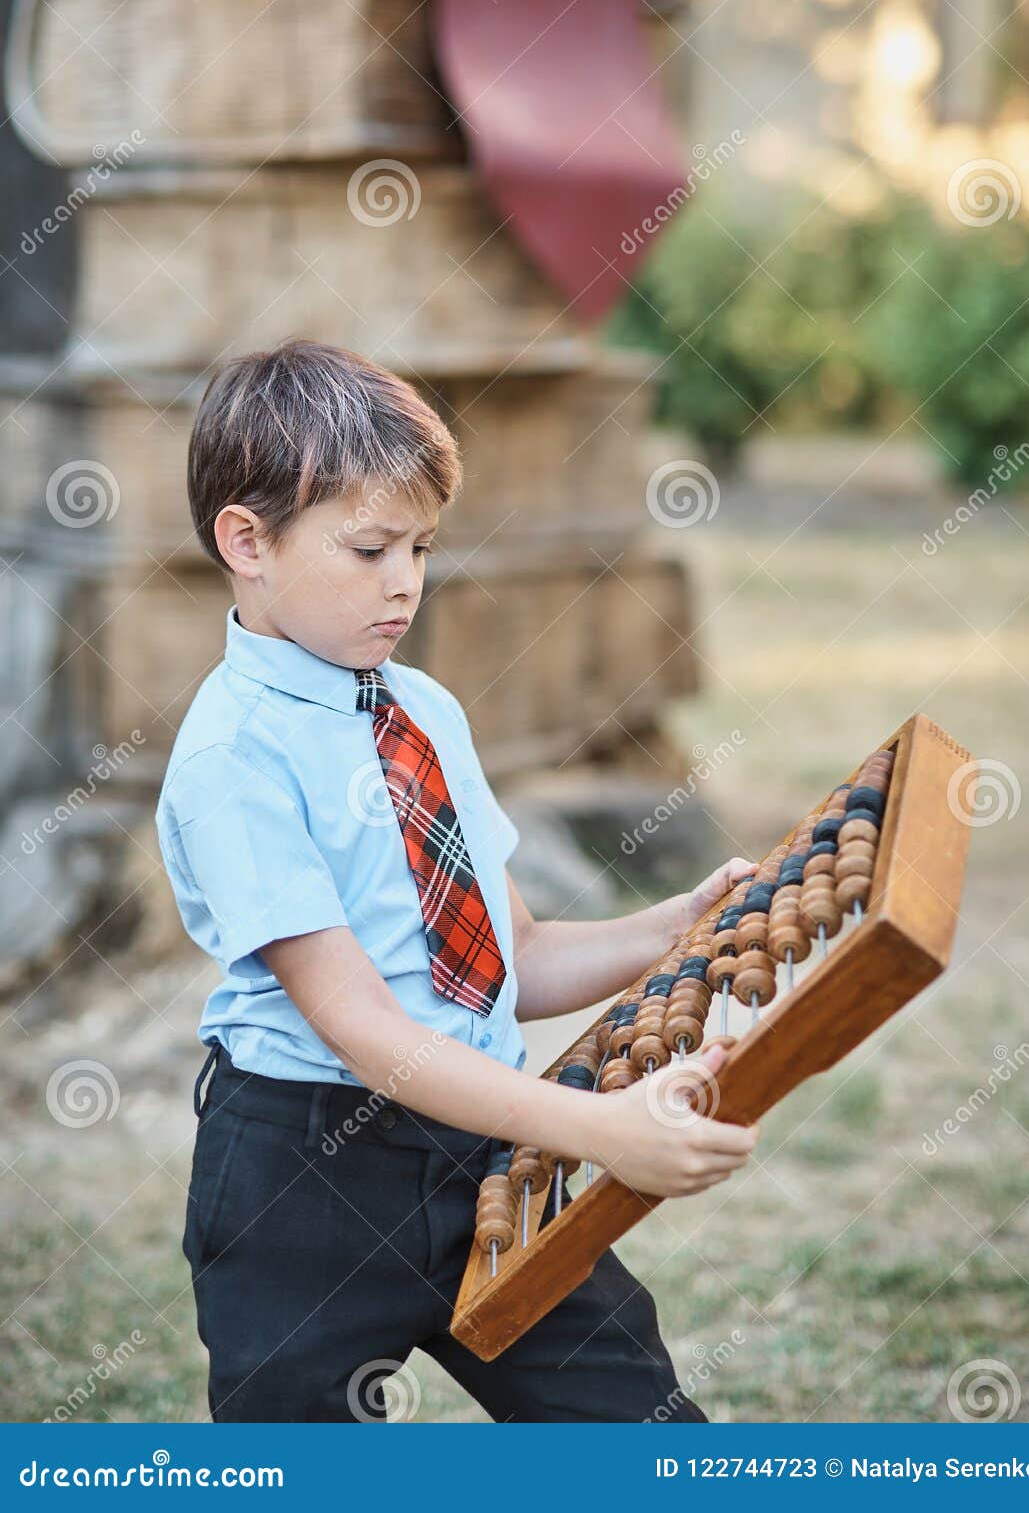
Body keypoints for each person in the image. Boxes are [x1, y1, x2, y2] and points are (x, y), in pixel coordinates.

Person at [155, 338, 760, 1423]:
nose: (406, 582)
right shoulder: (230, 761)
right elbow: (368, 1033)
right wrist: (603, 1129)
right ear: (246, 539)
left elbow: (511, 960)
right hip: (308, 1184)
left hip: (485, 1154)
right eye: (371, 547)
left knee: (639, 1429)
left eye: (423, 547)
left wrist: (678, 922)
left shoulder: (423, 710)